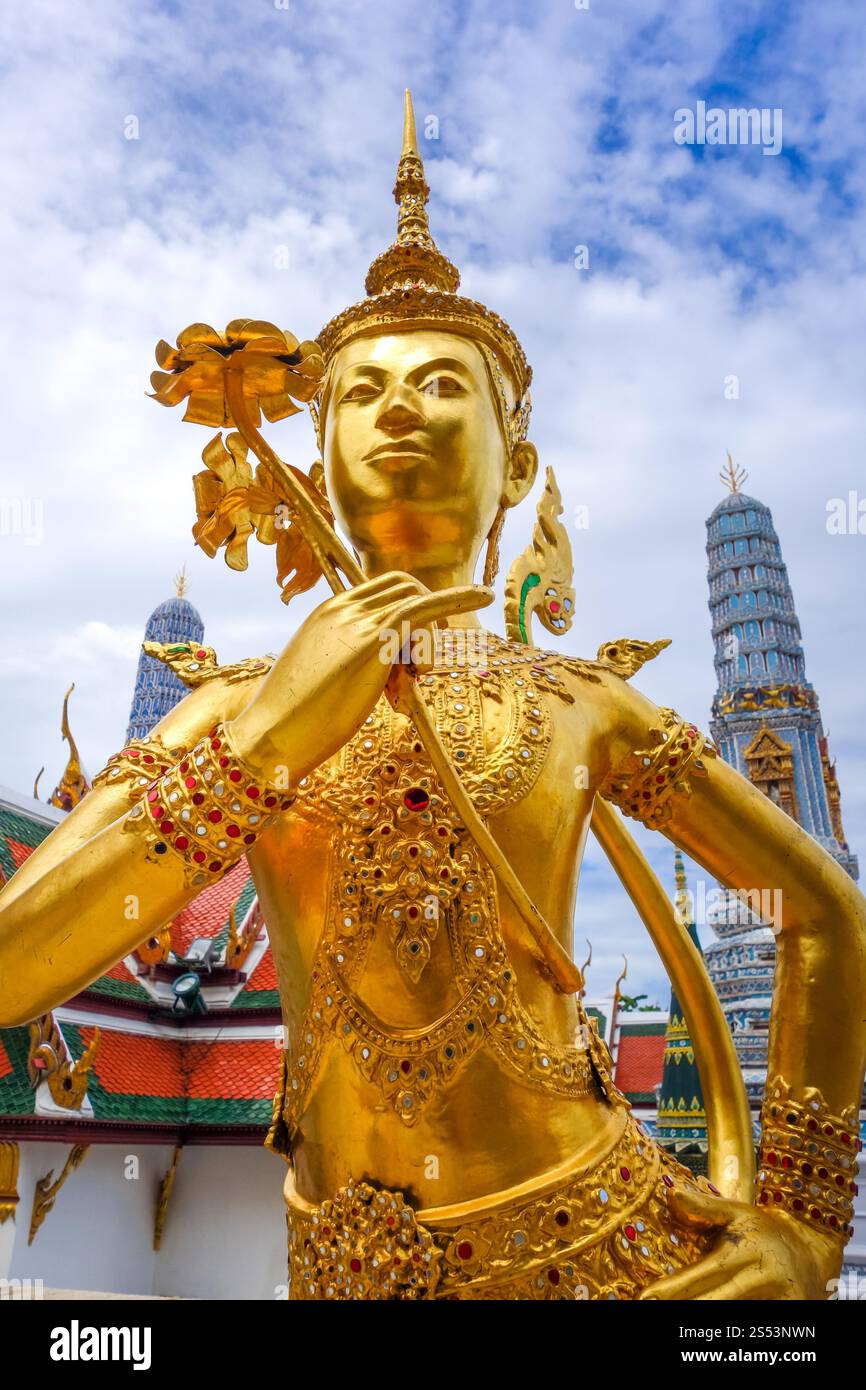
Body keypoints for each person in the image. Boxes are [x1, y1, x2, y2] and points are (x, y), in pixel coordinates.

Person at [1, 93, 862, 1301]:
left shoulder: (579, 703)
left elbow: (820, 910)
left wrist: (802, 1224)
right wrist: (262, 743)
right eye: (360, 392)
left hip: (602, 1255)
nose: (399, 406)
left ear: (515, 459)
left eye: (445, 385)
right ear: (315, 459)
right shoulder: (236, 709)